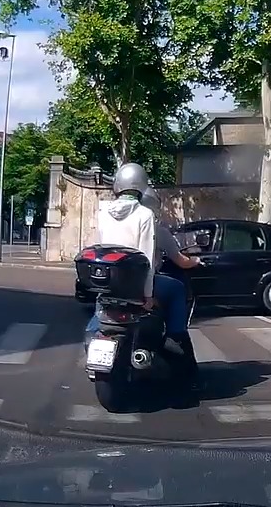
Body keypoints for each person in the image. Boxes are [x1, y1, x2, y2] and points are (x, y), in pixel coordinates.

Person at [84, 163, 199, 390]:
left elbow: (101, 246)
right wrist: (146, 297)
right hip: (137, 285)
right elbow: (145, 258)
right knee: (176, 289)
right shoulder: (146, 216)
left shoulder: (103, 210)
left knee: (101, 311)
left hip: (110, 282)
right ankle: (176, 334)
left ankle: (92, 340)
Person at [141, 187, 203, 387]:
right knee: (177, 288)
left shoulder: (112, 221)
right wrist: (195, 261)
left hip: (115, 284)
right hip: (147, 283)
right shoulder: (157, 230)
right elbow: (181, 262)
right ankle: (176, 334)